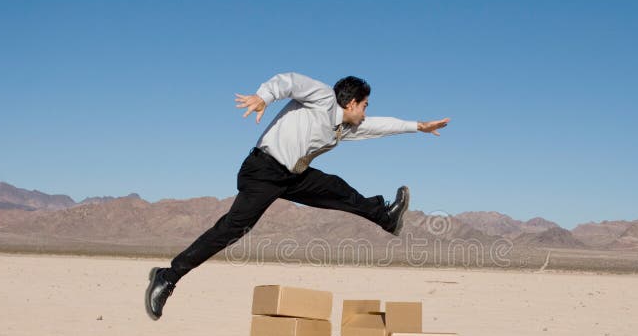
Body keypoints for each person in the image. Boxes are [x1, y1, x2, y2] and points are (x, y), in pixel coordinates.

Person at [145, 72, 450, 320]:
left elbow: (378, 127)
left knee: (337, 189)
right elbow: (288, 81)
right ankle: (168, 277)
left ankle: (386, 216)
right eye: (365, 105)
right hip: (263, 171)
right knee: (231, 229)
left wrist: (417, 126)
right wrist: (263, 96)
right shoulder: (321, 97)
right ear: (352, 102)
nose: (366, 111)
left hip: (293, 176)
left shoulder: (342, 126)